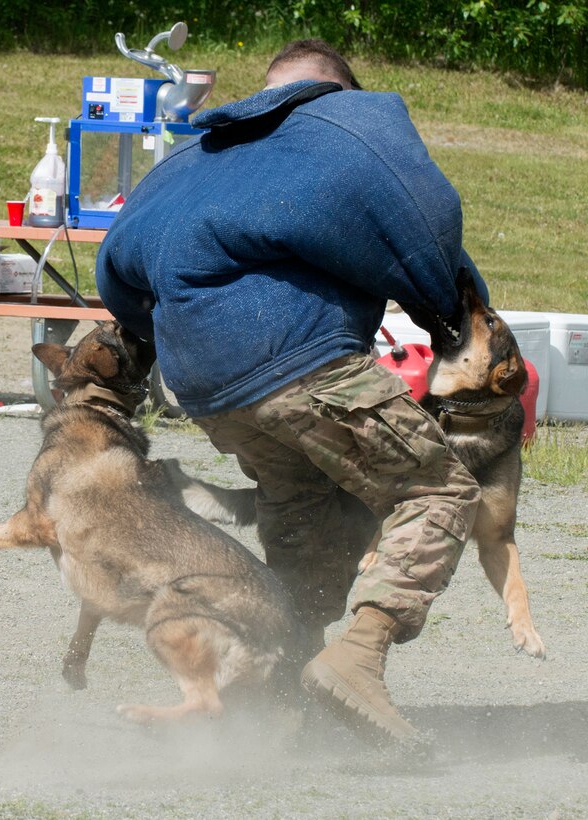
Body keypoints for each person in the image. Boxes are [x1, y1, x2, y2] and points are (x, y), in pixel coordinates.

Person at [96, 39, 485, 742]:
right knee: (436, 491)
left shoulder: (195, 159)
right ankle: (357, 661)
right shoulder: (347, 126)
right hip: (298, 362)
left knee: (306, 512)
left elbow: (115, 273)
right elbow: (425, 220)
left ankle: (276, 699)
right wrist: (454, 316)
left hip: (208, 388)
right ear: (339, 94)